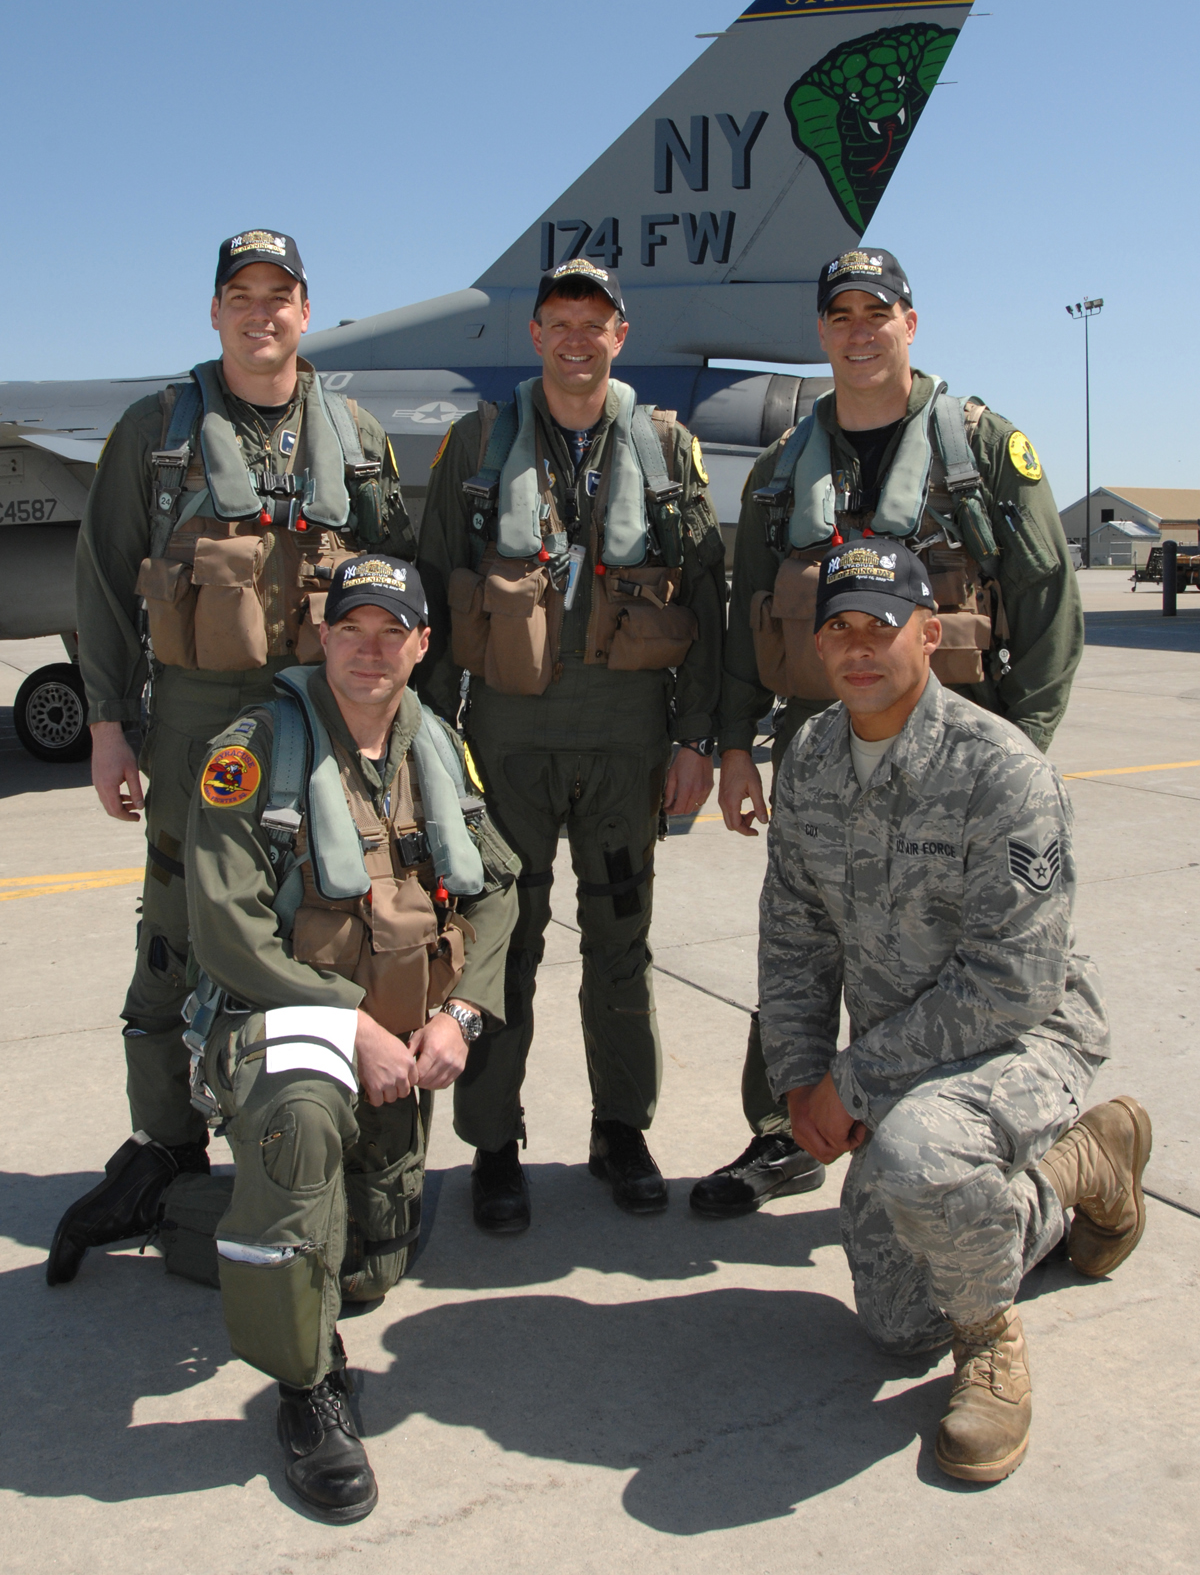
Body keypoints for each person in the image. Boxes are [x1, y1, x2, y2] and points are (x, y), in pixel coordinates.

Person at [47, 231, 416, 1284]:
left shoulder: (352, 436)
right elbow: (104, 576)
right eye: (240, 297)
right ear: (215, 313)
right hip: (196, 730)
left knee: (329, 931)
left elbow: (390, 586)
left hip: (321, 729)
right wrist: (110, 721)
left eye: (280, 296)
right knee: (174, 938)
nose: (262, 315)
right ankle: (165, 1147)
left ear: (307, 310)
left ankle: (313, 1139)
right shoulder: (157, 433)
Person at [692, 246, 1085, 1220]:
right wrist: (737, 745)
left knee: (968, 954)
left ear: (912, 323)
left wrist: (1021, 750)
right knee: (801, 937)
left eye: (879, 313)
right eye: (842, 316)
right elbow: (750, 611)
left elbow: (1048, 606)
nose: (860, 331)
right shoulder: (784, 473)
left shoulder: (983, 450)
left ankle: (1004, 1137)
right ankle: (785, 1132)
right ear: (822, 332)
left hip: (957, 768)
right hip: (821, 757)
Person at [758, 537, 1147, 1483]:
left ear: (929, 635)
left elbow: (1013, 983)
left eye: (881, 627)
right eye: (839, 629)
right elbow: (795, 938)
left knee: (920, 1155)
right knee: (895, 1327)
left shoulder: (998, 771)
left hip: (1024, 1034)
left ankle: (992, 1349)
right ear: (818, 649)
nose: (859, 648)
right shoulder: (810, 760)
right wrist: (802, 1081)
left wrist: (855, 1080)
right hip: (906, 1053)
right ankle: (1076, 1169)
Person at [185, 555, 518, 1521]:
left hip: (402, 1031)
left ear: (421, 645)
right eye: (350, 630)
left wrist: (463, 1012)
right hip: (279, 1014)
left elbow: (499, 889)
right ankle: (307, 1395)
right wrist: (348, 1021)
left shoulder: (437, 745)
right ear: (319, 638)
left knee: (368, 1272)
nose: (369, 651)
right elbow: (225, 928)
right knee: (299, 1130)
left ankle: (219, 1229)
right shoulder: (257, 745)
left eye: (391, 633)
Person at [417, 258, 725, 1230]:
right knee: (498, 949)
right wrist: (420, 758)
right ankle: (493, 1145)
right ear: (538, 334)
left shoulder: (669, 449)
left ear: (618, 337)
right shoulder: (475, 445)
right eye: (560, 321)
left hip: (628, 743)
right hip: (505, 744)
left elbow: (707, 603)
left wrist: (698, 741)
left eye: (595, 323)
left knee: (621, 946)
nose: (577, 339)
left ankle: (619, 1130)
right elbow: (431, 591)